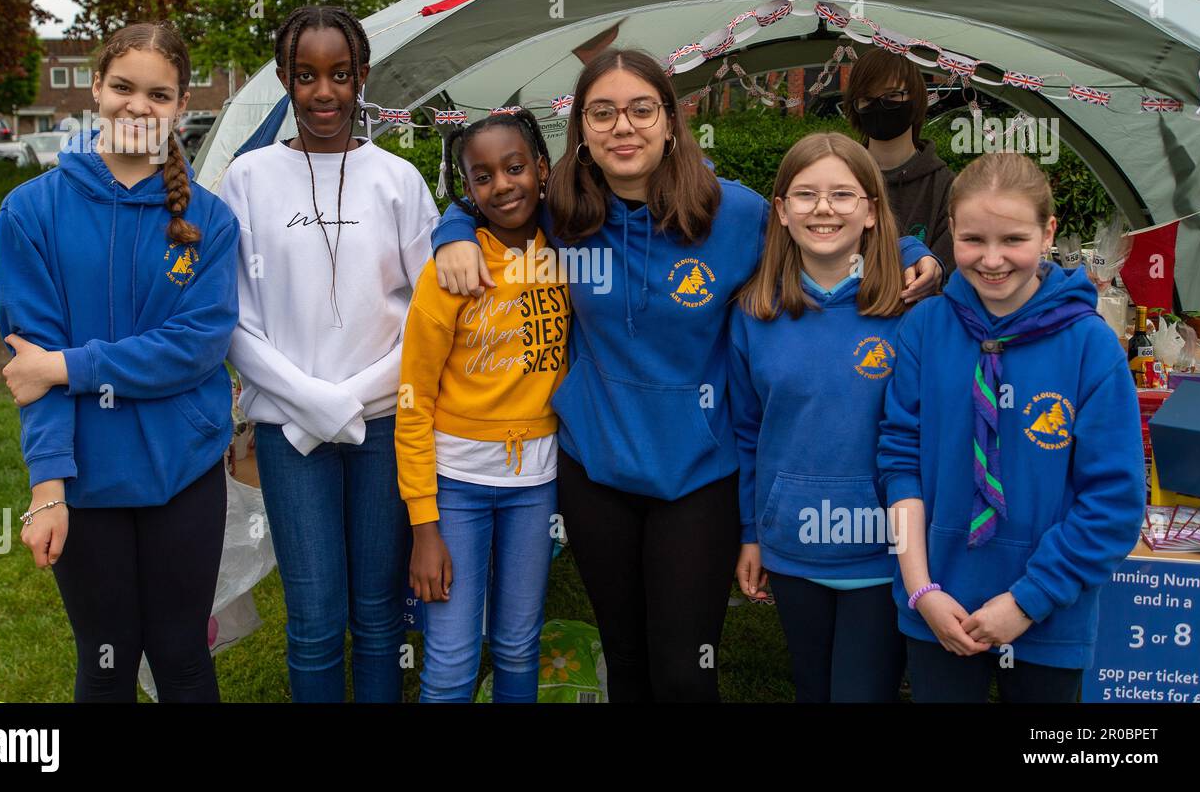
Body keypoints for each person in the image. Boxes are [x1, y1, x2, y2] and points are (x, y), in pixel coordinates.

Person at [432, 48, 942, 702]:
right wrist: (449, 231)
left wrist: (908, 249)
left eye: (642, 109)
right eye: (603, 112)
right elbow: (484, 204)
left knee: (685, 670)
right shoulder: (561, 208)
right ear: (581, 131)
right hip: (596, 471)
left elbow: (822, 229)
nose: (624, 126)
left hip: (698, 474)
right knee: (626, 655)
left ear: (671, 122)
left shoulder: (734, 213)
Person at [0, 21, 239, 702]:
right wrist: (48, 490)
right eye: (123, 87)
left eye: (158, 94)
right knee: (106, 661)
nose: (138, 106)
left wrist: (68, 367)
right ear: (96, 88)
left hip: (183, 472)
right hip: (85, 480)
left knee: (182, 654)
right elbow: (27, 368)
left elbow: (196, 347)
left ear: (181, 104)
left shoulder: (212, 221)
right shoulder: (29, 213)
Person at [218, 5, 437, 702]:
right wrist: (312, 404)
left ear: (362, 77)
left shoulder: (398, 180)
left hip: (383, 429)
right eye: (306, 75)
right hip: (289, 435)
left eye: (340, 75)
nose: (323, 92)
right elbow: (231, 319)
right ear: (284, 78)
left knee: (377, 617)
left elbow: (429, 317)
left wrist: (346, 402)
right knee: (314, 623)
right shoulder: (247, 180)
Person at [877, 151, 1145, 702]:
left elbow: (1115, 500)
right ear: (951, 230)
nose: (992, 260)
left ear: (1048, 233)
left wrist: (1029, 599)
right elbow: (899, 463)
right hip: (938, 603)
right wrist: (919, 586)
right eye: (973, 240)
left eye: (1013, 240)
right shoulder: (924, 328)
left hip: (1052, 611)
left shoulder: (1090, 345)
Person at [396, 109, 569, 702]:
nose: (502, 185)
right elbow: (413, 402)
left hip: (535, 487)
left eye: (515, 167)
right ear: (465, 190)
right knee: (449, 663)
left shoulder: (569, 250)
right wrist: (424, 527)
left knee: (520, 646)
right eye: (483, 177)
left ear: (542, 170)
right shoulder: (448, 272)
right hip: (456, 489)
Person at [729, 132, 908, 702]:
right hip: (792, 544)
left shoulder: (911, 313)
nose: (823, 208)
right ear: (780, 211)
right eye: (805, 195)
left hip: (882, 551)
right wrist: (752, 534)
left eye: (842, 195)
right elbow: (746, 433)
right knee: (811, 690)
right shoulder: (754, 314)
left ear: (872, 211)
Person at [844, 49, 955, 277]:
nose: (879, 106)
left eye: (892, 96)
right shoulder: (839, 177)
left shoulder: (944, 187)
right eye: (867, 99)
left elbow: (945, 274)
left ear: (915, 99)